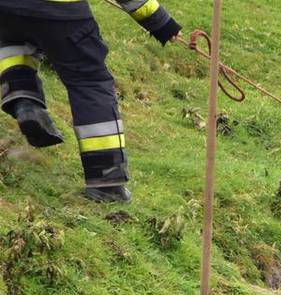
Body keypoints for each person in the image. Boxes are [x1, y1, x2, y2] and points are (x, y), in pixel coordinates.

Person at [0, 0, 181, 203]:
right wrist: (162, 23)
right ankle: (107, 181)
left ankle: (24, 102)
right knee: (90, 82)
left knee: (13, 43)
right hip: (62, 11)